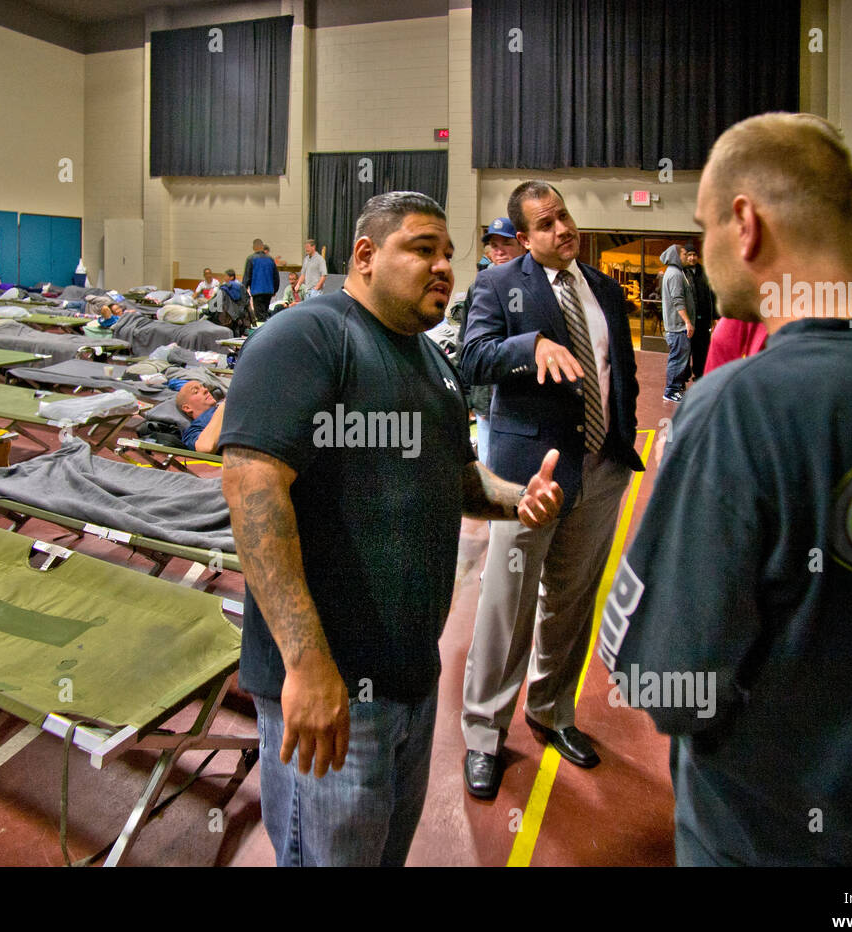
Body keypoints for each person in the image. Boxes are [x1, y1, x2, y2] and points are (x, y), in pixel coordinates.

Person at [601, 111, 852, 866]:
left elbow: (666, 686)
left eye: (703, 230)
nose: (702, 254)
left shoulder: (732, 414)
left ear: (745, 223)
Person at [218, 191, 565, 866]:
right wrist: (306, 663)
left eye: (448, 254)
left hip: (410, 679)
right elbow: (252, 489)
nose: (443, 267)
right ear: (367, 256)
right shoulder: (307, 338)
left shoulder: (434, 365)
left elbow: (462, 481)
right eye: (422, 248)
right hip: (331, 686)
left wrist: (519, 498)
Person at [459, 181, 644, 799]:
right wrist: (529, 344)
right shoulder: (497, 285)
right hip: (526, 477)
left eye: (563, 215)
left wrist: (622, 436)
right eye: (545, 224)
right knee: (505, 606)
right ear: (523, 237)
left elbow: (617, 370)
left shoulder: (605, 289)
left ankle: (551, 710)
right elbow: (473, 359)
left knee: (571, 601)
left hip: (601, 468)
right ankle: (484, 732)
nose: (561, 229)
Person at [458, 217, 523, 463]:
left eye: (506, 243)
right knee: (488, 468)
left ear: (522, 244)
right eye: (493, 245)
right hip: (487, 397)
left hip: (523, 400)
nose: (499, 250)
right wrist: (466, 397)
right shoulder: (479, 288)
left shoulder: (533, 285)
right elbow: (465, 343)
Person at [659, 244, 694, 402]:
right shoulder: (675, 275)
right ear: (676, 256)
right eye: (684, 254)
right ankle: (671, 391)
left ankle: (676, 388)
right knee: (677, 359)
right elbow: (677, 300)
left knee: (680, 358)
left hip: (678, 327)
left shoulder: (677, 273)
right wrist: (687, 322)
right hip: (677, 327)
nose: (687, 257)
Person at [681, 248, 716, 379]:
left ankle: (700, 373)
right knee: (686, 348)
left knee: (701, 348)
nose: (692, 258)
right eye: (689, 255)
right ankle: (684, 374)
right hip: (688, 319)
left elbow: (712, 296)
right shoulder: (682, 273)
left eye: (694, 255)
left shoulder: (704, 273)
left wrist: (714, 317)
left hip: (703, 318)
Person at [175, 380, 225, 453]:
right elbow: (205, 447)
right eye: (196, 391)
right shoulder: (195, 430)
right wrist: (225, 406)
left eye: (203, 387)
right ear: (187, 408)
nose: (206, 390)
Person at [243, 239, 279, 322]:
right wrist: (275, 290)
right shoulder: (270, 259)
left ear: (254, 247)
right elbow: (276, 277)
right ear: (262, 247)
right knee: (265, 312)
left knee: (259, 316)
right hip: (269, 291)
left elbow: (247, 277)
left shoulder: (251, 259)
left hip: (257, 291)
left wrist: (244, 290)